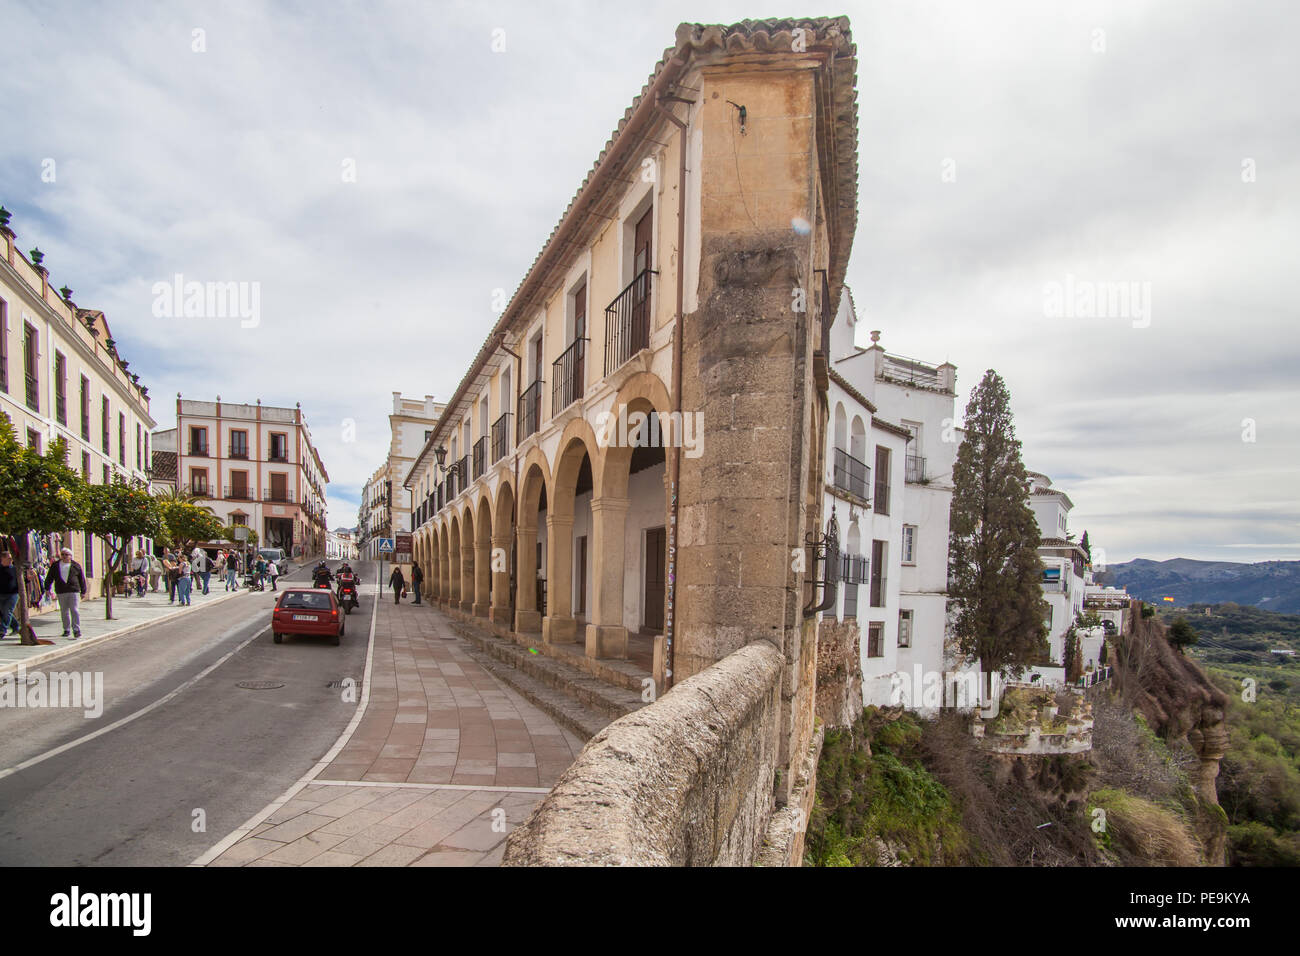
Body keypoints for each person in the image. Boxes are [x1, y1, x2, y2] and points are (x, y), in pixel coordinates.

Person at [42, 547, 87, 639]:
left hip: (73, 590)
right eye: (62, 554)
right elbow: (49, 577)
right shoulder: (55, 565)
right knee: (64, 611)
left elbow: (81, 579)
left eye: (67, 554)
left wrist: (83, 591)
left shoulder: (76, 566)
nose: (64, 556)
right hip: (61, 591)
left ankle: (76, 629)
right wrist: (47, 588)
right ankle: (66, 629)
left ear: (71, 556)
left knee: (74, 610)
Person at [0, 551, 21, 637]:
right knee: (5, 612)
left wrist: (28, 579)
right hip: (1, 594)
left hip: (13, 594)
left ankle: (2, 630)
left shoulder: (15, 569)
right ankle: (16, 627)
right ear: (2, 558)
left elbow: (21, 581)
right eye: (9, 558)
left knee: (7, 611)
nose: (11, 560)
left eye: (11, 558)